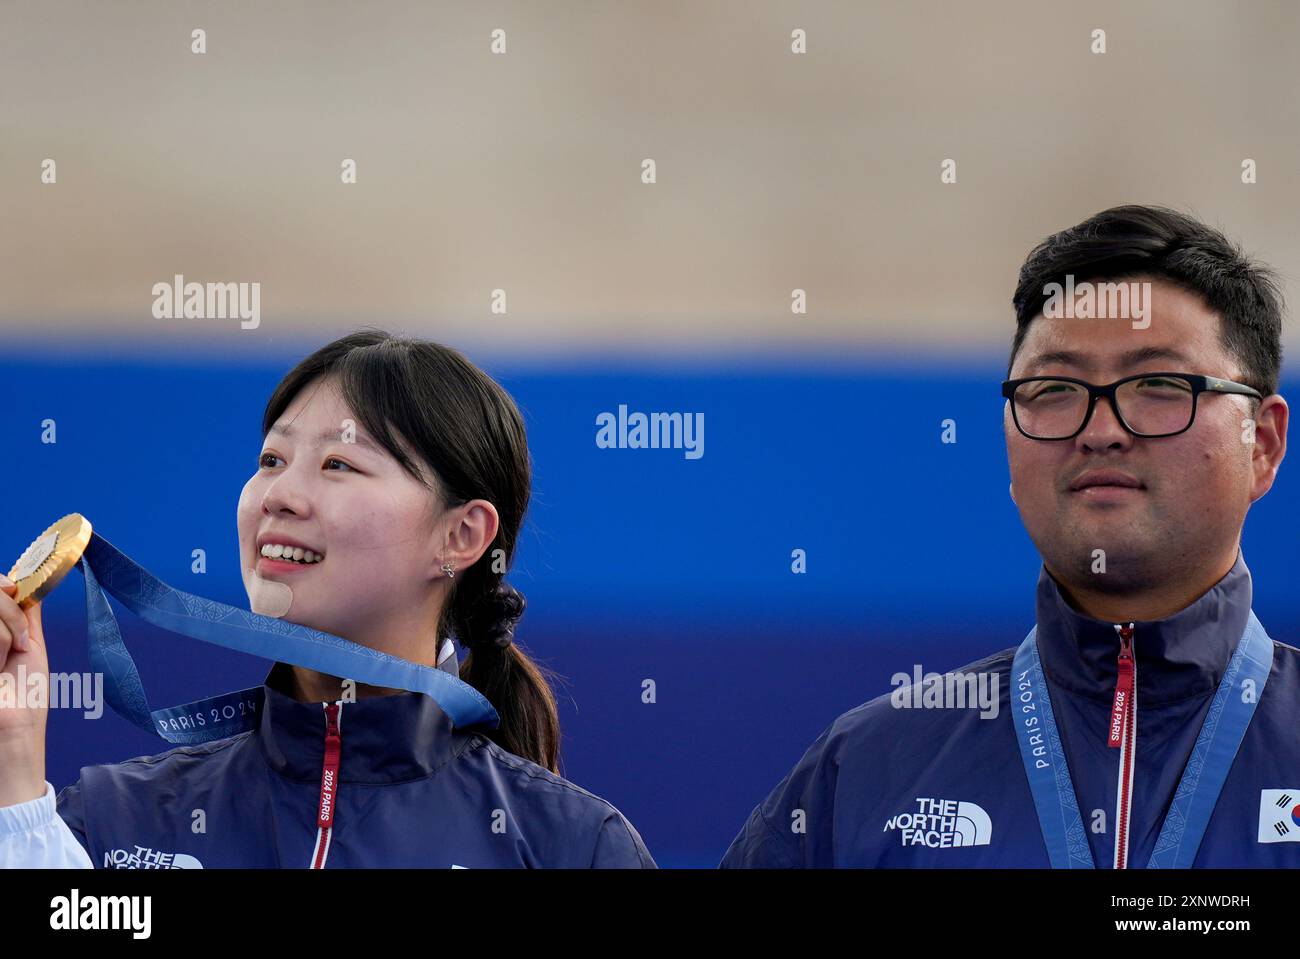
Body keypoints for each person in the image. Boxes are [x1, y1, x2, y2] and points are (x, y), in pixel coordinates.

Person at [720, 204, 1295, 868]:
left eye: (1158, 384)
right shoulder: (866, 772)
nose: (1100, 428)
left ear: (1263, 443)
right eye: (1053, 387)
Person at [0, 329, 655, 868]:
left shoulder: (572, 846)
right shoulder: (110, 822)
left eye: (338, 465)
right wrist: (13, 769)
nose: (278, 495)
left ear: (460, 535)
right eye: (271, 460)